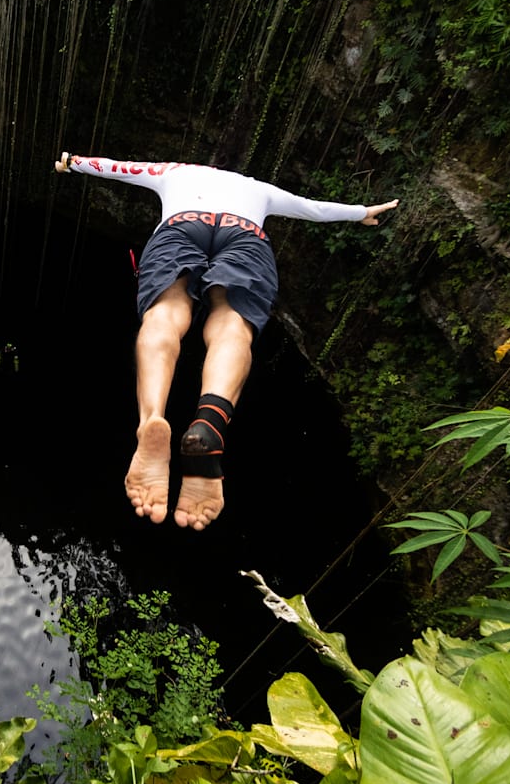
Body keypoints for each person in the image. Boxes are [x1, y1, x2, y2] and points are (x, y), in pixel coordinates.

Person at [54, 153, 398, 531]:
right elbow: (312, 208)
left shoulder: (172, 172)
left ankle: (150, 420)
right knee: (232, 324)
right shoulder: (259, 189)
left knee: (165, 314)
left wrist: (72, 162)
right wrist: (361, 213)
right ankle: (210, 422)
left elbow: (117, 168)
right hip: (244, 233)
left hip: (181, 225)